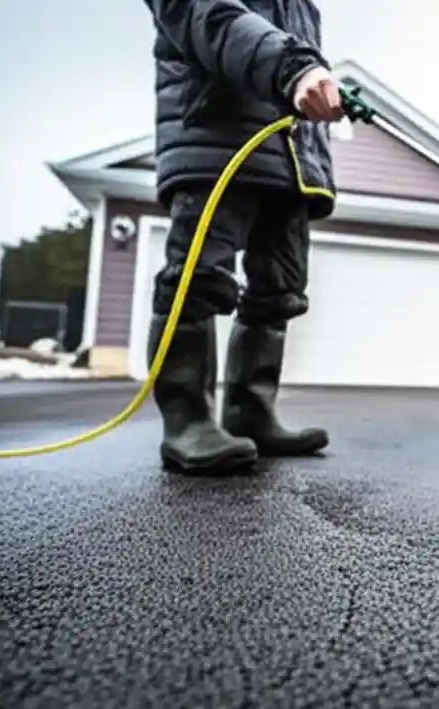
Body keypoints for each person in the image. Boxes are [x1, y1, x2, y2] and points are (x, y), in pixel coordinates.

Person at [143, 0, 345, 474]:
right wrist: (293, 68)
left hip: (289, 157)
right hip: (215, 141)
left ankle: (250, 411)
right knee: (197, 278)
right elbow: (212, 18)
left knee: (280, 289)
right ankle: (186, 420)